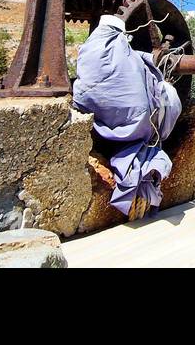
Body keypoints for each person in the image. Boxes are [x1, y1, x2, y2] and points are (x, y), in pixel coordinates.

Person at [71, 15, 181, 220]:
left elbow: (84, 91)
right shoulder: (128, 55)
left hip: (105, 128)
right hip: (142, 125)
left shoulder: (89, 50)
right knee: (168, 94)